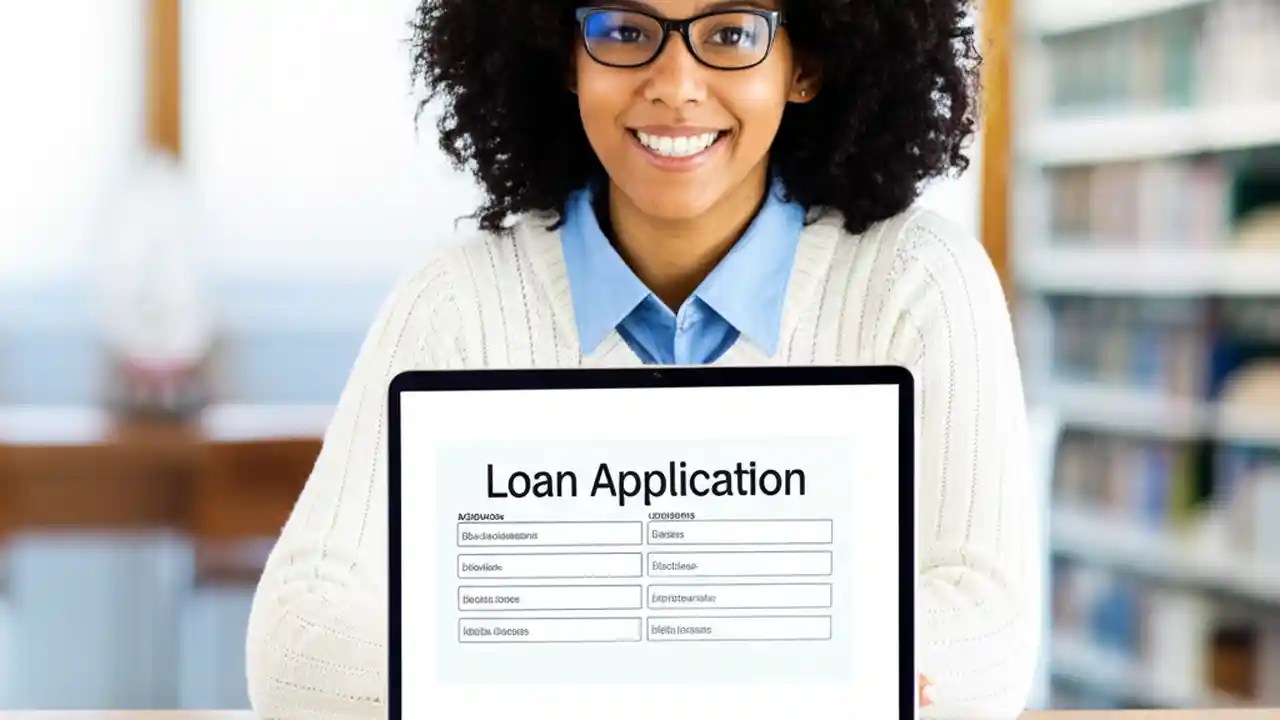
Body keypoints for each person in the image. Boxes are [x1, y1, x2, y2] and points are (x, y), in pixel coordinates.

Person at [245, 0, 1042, 717]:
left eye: (730, 33)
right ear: (566, 54)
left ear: (805, 64)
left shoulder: (917, 281)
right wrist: (801, 669)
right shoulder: (456, 303)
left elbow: (984, 637)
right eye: (626, 31)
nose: (676, 84)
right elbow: (298, 644)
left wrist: (522, 672)